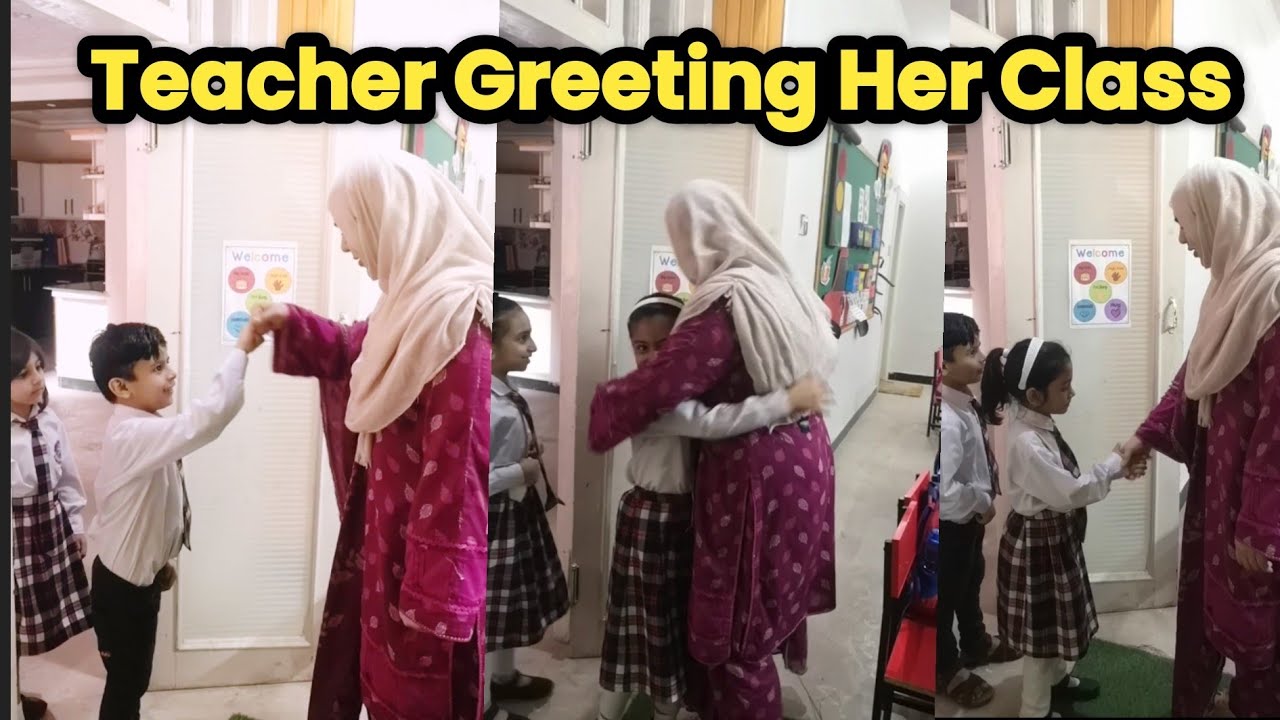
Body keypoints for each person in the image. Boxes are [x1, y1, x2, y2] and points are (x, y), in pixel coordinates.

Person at [251, 150, 492, 720]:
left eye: (348, 228)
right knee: (375, 671)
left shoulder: (460, 320)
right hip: (388, 531)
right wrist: (290, 320)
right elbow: (356, 350)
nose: (345, 246)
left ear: (389, 217)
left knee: (416, 689)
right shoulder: (408, 304)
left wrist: (437, 598)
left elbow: (460, 475)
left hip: (425, 565)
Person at [588, 180, 839, 719]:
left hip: (757, 476)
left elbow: (662, 385)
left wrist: (607, 407)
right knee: (766, 600)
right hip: (807, 455)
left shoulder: (726, 300)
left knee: (736, 627)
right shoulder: (784, 287)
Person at [1120, 158, 1280, 718]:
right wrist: (1146, 435)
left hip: (1257, 503)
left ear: (1223, 215)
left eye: (1186, 221)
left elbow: (1278, 424)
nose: (1182, 237)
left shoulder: (1273, 290)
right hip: (1218, 484)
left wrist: (1261, 527)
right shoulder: (1228, 287)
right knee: (1210, 607)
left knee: (1261, 630)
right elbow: (1193, 376)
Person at [87, 321, 262, 719]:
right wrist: (242, 350)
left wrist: (160, 560)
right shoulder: (130, 435)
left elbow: (151, 508)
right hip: (121, 589)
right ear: (121, 387)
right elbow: (206, 421)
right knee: (125, 685)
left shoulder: (146, 430)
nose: (172, 373)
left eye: (168, 363)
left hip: (136, 580)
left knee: (132, 680)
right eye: (158, 368)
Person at [980, 337, 1145, 718]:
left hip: (1052, 540)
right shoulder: (1028, 445)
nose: (1072, 392)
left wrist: (1116, 468)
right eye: (1064, 387)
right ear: (1035, 395)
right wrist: (1115, 465)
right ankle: (1034, 710)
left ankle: (1058, 683)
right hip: (1038, 546)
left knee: (1053, 625)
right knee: (1041, 640)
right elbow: (1070, 492)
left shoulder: (1036, 423)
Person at [486, 294, 569, 720]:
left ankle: (504, 678)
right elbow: (473, 480)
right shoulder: (482, 404)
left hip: (516, 515)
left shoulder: (506, 395)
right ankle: (481, 701)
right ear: (489, 345)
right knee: (489, 612)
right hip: (493, 521)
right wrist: (521, 470)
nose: (532, 347)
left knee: (508, 608)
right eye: (523, 338)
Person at [937, 313, 1019, 709]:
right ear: (944, 362)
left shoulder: (964, 400)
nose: (981, 356)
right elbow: (947, 493)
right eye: (971, 351)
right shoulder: (948, 420)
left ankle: (975, 642)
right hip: (954, 526)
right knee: (947, 595)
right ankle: (947, 668)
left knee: (970, 582)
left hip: (969, 525)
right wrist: (981, 502)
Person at [11, 328, 93, 720]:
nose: (38, 379)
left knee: (30, 623)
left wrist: (75, 524)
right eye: (23, 373)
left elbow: (68, 477)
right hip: (13, 536)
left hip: (48, 528)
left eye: (39, 367)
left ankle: (15, 693)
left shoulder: (50, 420)